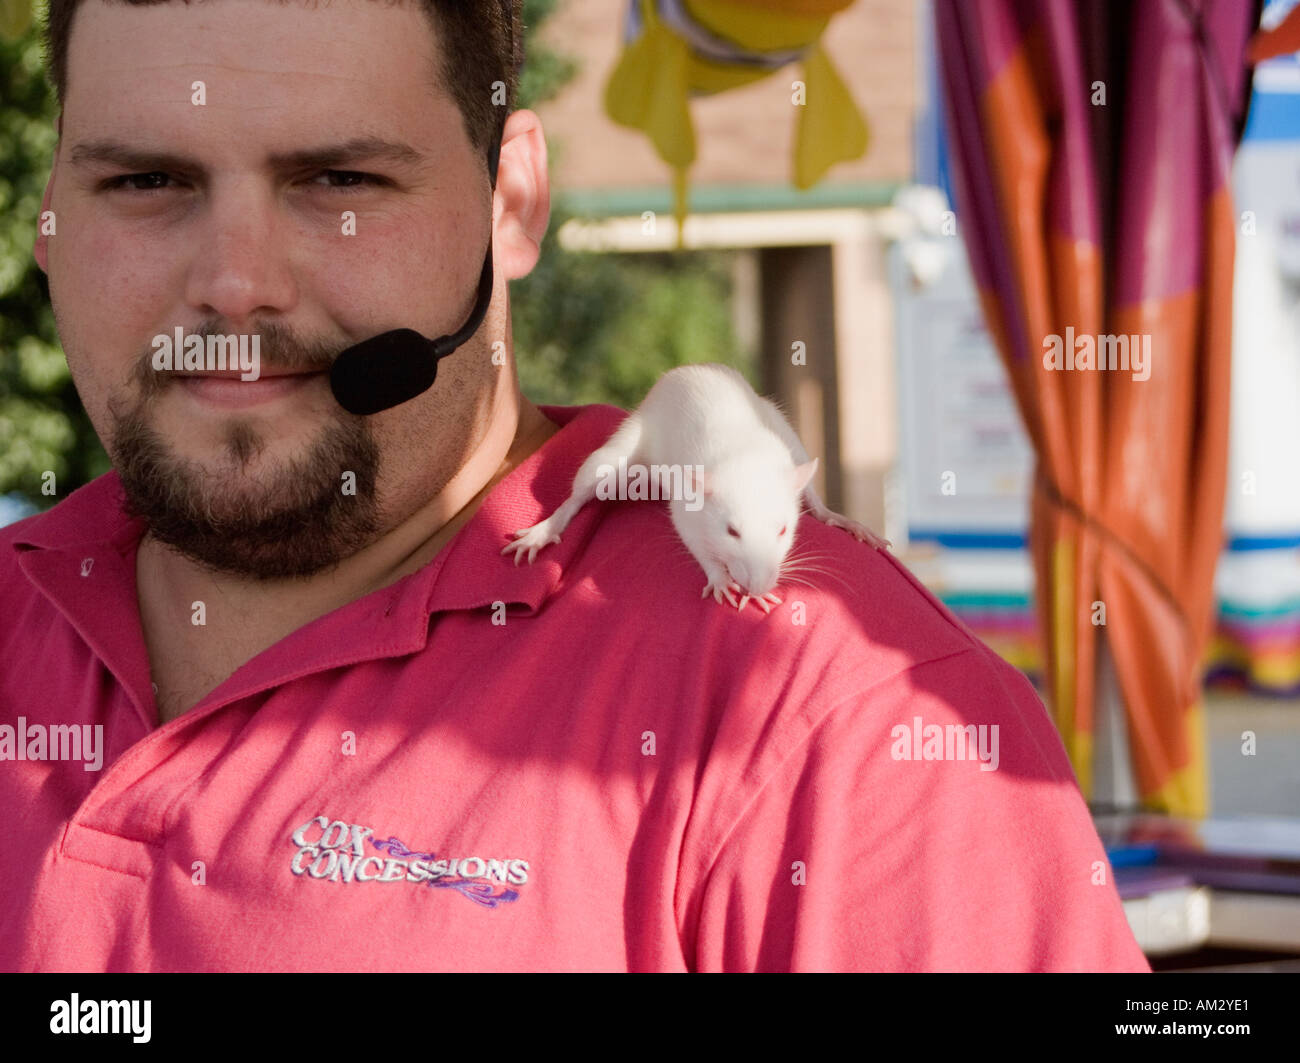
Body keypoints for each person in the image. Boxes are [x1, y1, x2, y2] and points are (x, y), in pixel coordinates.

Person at [0, 0, 1150, 972]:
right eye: (145, 179)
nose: (234, 285)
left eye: (337, 180)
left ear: (513, 203)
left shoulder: (833, 726)